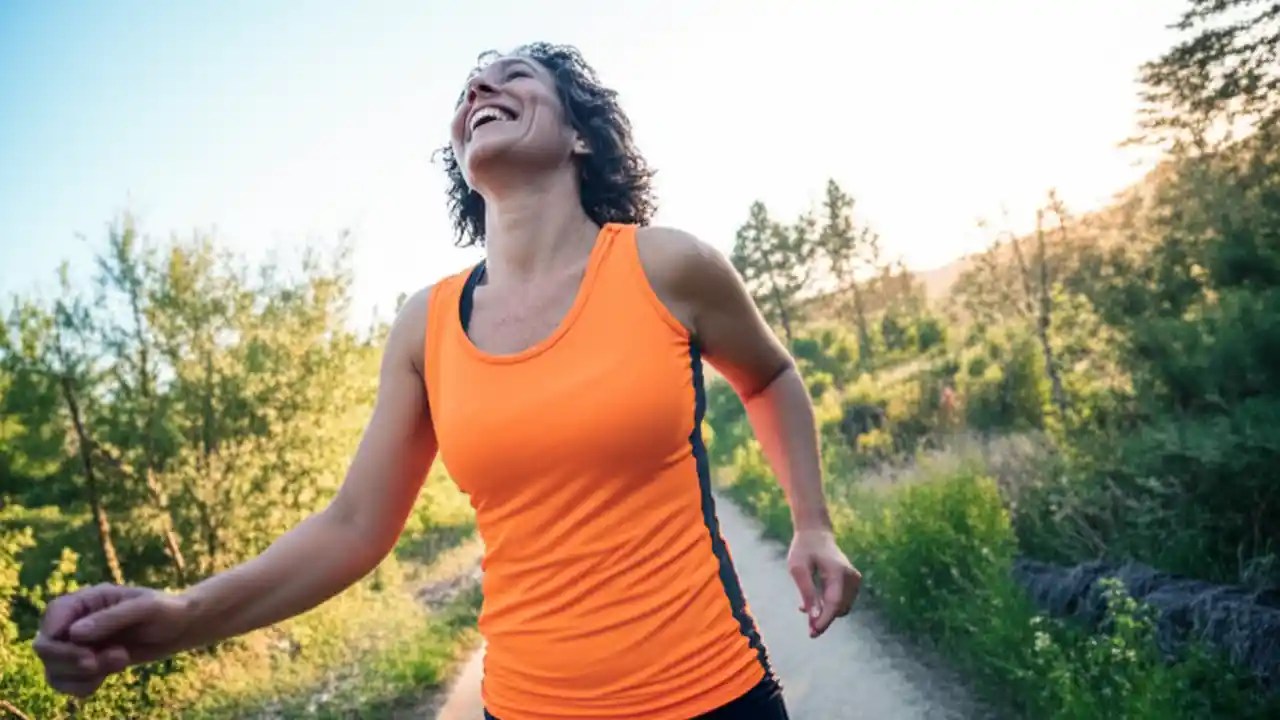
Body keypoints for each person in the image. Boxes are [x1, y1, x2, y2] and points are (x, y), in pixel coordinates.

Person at [33, 42, 861, 719]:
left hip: (712, 698)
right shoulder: (424, 326)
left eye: (513, 76)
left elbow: (769, 377)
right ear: (463, 159)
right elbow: (354, 525)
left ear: (580, 136)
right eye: (469, 89)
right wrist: (180, 618)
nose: (479, 89)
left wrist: (812, 524)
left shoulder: (667, 265)